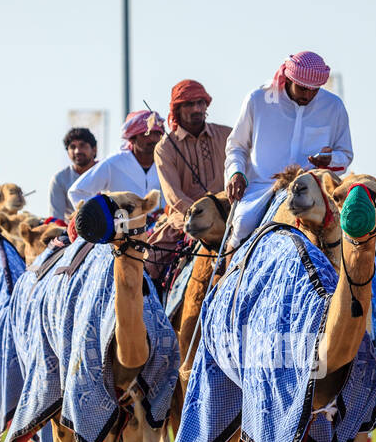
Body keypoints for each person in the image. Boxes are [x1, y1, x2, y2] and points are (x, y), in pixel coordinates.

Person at [225, 51, 352, 245]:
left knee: (349, 228)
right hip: (261, 188)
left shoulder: (333, 106)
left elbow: (345, 154)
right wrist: (236, 173)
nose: (308, 95)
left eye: (314, 90)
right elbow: (237, 146)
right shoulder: (258, 100)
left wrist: (331, 160)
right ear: (288, 78)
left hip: (314, 190)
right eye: (302, 89)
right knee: (243, 223)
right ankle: (227, 274)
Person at [149, 80, 233, 285]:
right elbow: (173, 196)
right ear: (177, 110)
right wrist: (199, 214)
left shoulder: (228, 135)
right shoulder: (165, 148)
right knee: (148, 265)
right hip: (186, 221)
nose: (196, 109)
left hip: (230, 216)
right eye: (189, 104)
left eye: (200, 103)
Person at [67, 110, 165, 212]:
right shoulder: (114, 163)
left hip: (162, 225)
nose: (153, 139)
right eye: (146, 134)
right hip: (122, 226)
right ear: (132, 138)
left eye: (157, 134)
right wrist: (103, 216)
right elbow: (77, 192)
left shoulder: (168, 163)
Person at [49, 127, 98, 221]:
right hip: (72, 232)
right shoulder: (60, 179)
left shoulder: (107, 172)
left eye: (82, 145)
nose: (77, 151)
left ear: (94, 149)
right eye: (72, 147)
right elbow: (56, 219)